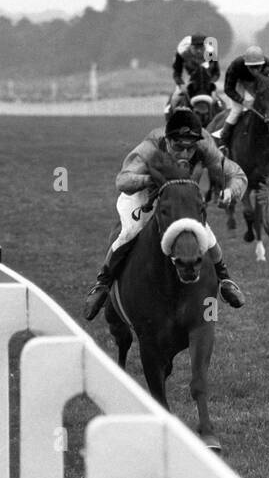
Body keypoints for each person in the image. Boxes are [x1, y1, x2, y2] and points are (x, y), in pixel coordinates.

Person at [83, 108, 247, 321]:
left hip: (179, 196)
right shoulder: (152, 146)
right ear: (168, 141)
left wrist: (229, 191)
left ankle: (225, 279)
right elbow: (122, 181)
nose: (186, 154)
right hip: (144, 194)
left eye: (190, 148)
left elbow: (236, 174)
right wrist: (149, 180)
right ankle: (102, 284)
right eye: (179, 147)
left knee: (204, 231)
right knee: (131, 230)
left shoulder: (204, 144)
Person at [213, 44, 269, 152]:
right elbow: (228, 89)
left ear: (263, 64)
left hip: (261, 83)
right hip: (240, 83)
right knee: (237, 110)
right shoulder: (236, 65)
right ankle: (223, 140)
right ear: (245, 64)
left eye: (258, 67)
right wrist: (242, 101)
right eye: (251, 67)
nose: (255, 71)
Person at [170, 33, 220, 114]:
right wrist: (181, 84)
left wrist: (210, 82)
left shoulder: (211, 52)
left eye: (201, 48)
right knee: (175, 98)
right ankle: (172, 118)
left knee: (217, 100)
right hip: (188, 79)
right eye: (196, 48)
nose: (199, 51)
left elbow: (216, 72)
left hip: (206, 80)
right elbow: (176, 73)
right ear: (190, 47)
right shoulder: (182, 52)